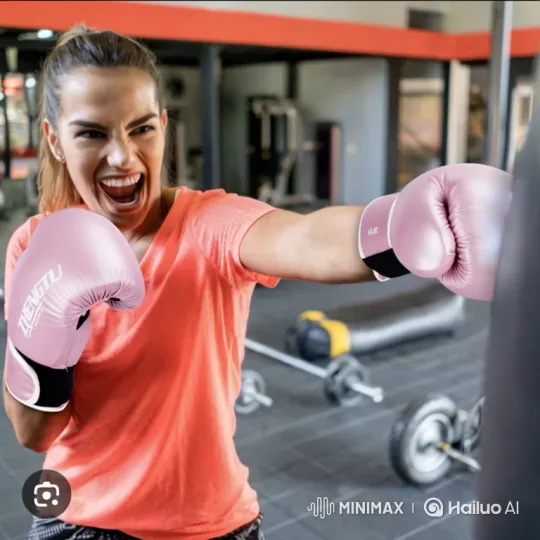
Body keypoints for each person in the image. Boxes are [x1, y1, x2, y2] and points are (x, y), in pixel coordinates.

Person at [2, 25, 512, 540]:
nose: (122, 158)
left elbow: (307, 238)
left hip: (209, 526)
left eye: (141, 129)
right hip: (78, 520)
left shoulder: (208, 224)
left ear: (163, 124)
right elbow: (34, 431)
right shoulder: (31, 245)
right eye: (92, 133)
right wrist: (49, 319)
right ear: (55, 140)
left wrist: (402, 226)